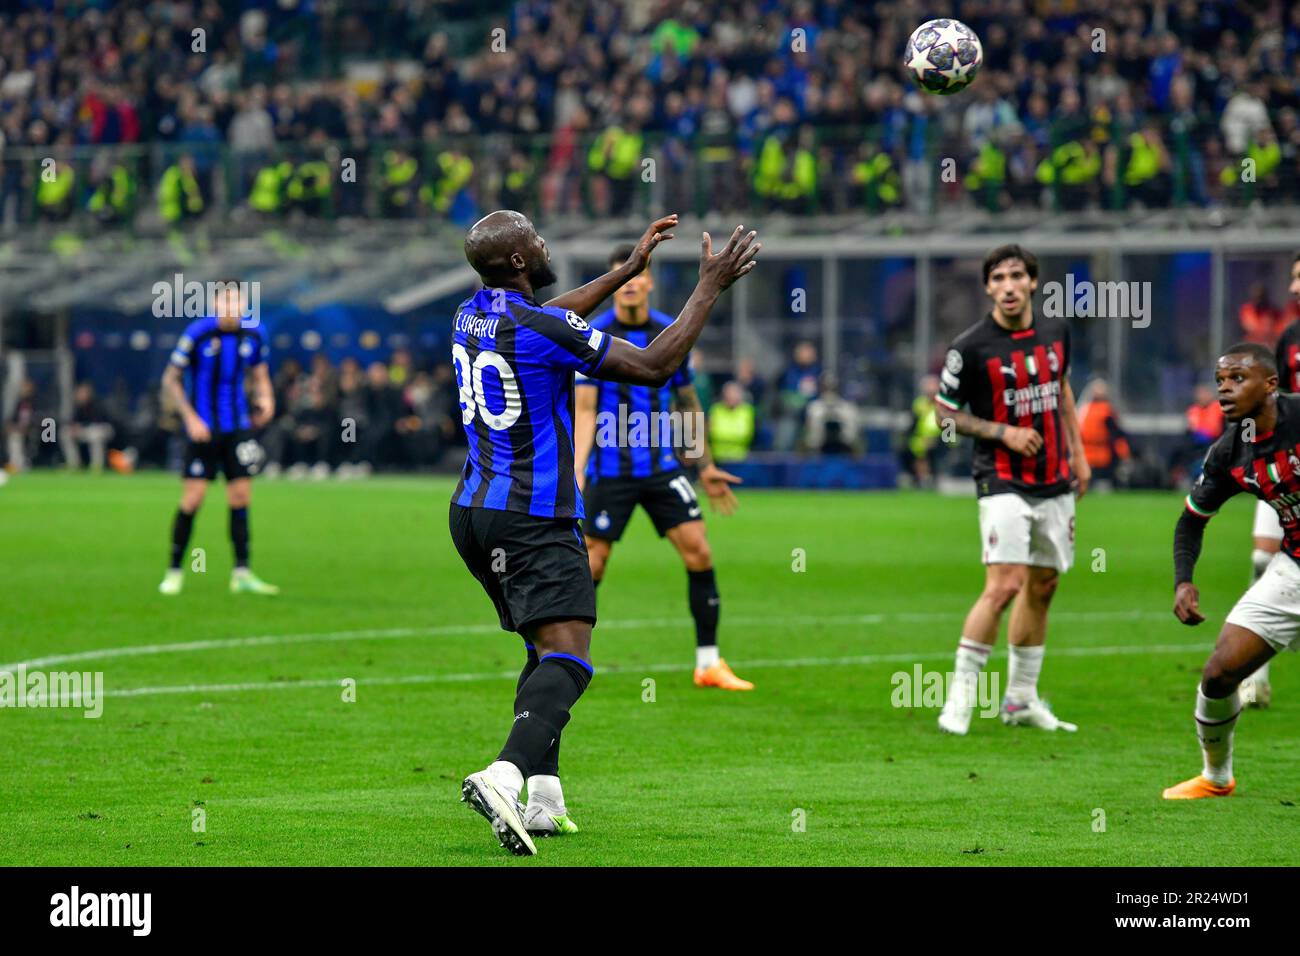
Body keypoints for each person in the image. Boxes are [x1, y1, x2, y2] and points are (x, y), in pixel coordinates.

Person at [449, 210, 759, 855]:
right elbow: (653, 366)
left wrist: (624, 271)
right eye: (532, 237)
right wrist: (709, 288)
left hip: (473, 513)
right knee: (570, 656)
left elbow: (550, 315)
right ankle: (503, 774)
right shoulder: (542, 326)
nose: (542, 241)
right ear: (517, 262)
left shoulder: (472, 313)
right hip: (532, 515)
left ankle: (543, 797)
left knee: (542, 650)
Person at [573, 242, 753, 695]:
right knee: (593, 563)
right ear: (615, 284)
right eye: (622, 277)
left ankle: (708, 663)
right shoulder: (595, 333)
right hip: (610, 469)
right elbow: (585, 409)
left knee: (699, 550)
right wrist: (577, 472)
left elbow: (688, 401)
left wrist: (705, 464)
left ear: (649, 281)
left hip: (661, 466)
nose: (630, 284)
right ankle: (570, 660)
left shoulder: (671, 331)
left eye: (636, 277)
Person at [933, 244, 1090, 735]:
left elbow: (1061, 390)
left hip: (1055, 477)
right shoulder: (970, 346)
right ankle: (959, 701)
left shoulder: (1057, 332)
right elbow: (944, 414)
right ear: (987, 288)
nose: (1006, 285)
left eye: (1015, 276)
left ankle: (1021, 701)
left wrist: (1079, 454)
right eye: (997, 277)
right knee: (1003, 586)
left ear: (1032, 283)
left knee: (1044, 585)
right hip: (1000, 477)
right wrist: (1003, 433)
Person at [1167, 344, 1297, 799]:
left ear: (1271, 385)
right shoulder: (1229, 453)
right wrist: (1184, 579)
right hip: (1294, 570)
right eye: (1221, 380)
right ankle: (1216, 777)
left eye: (1238, 379)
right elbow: (1191, 521)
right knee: (1220, 673)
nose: (1225, 388)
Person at [158, 282, 278, 596]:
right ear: (214, 304)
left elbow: (260, 375)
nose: (230, 307)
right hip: (202, 429)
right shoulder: (198, 333)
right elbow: (170, 379)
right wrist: (190, 418)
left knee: (240, 498)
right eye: (224, 301)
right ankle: (174, 570)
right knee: (193, 499)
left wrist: (267, 399)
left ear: (244, 304)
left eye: (235, 301)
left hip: (237, 428)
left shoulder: (255, 333)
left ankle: (242, 572)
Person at [1239, 252, 1300, 707]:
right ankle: (1256, 677)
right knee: (1262, 560)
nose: (1295, 289)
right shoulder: (1290, 338)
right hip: (1284, 463)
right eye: (1293, 279)